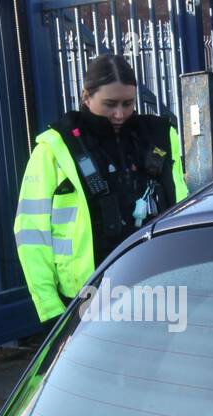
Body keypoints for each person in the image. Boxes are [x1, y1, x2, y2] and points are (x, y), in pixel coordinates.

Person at [14, 54, 190, 322]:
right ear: (86, 96)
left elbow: (180, 206)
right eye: (109, 104)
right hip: (86, 295)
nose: (120, 114)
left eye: (128, 104)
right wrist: (49, 308)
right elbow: (31, 232)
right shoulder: (55, 148)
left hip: (155, 285)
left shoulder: (160, 136)